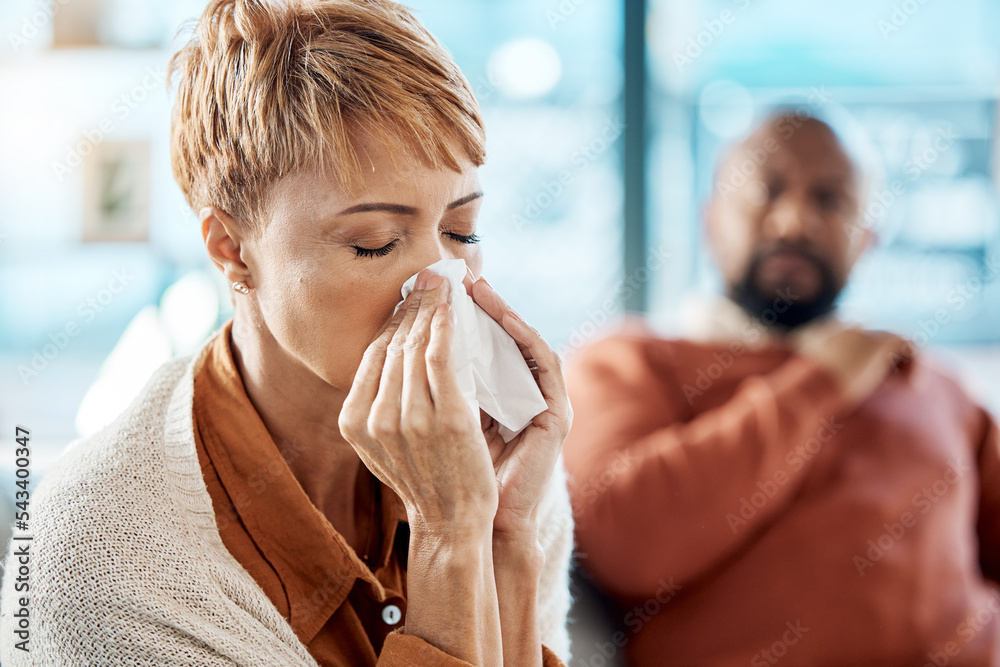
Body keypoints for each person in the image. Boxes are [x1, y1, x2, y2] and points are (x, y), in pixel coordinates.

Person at [0, 1, 574, 665]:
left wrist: (504, 534)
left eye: (460, 232)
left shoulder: (494, 454)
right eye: (375, 242)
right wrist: (448, 539)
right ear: (232, 249)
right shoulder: (99, 554)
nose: (439, 284)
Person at [563, 112, 1000, 665]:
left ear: (867, 240)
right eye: (766, 191)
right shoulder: (631, 360)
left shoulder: (934, 385)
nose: (794, 221)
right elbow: (627, 540)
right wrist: (822, 380)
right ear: (712, 221)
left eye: (829, 199)